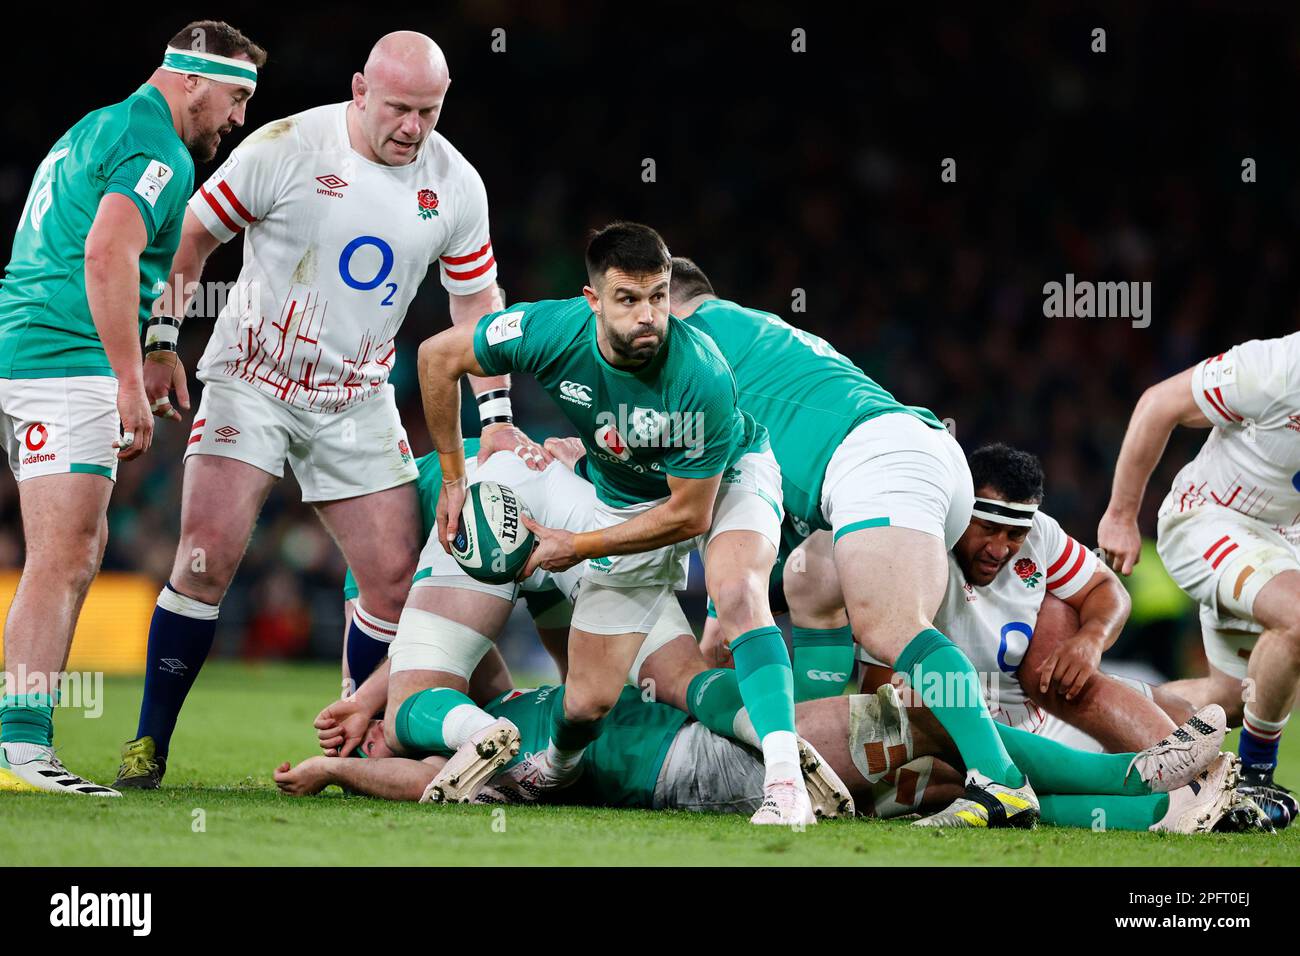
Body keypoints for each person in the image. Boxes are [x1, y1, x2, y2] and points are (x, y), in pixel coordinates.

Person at [114, 33, 545, 789]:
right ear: (359, 90)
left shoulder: (456, 184)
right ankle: (147, 748)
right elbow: (192, 236)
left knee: (388, 582)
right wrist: (160, 337)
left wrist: (499, 410)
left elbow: (475, 303)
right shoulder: (287, 144)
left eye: (429, 111)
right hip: (253, 377)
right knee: (203, 560)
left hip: (355, 395)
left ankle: (356, 739)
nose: (413, 127)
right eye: (399, 109)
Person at [419, 223, 814, 824]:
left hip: (727, 478)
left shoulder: (699, 375)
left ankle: (785, 779)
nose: (649, 315)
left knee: (737, 589)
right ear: (593, 300)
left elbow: (689, 517)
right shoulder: (548, 330)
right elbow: (436, 357)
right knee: (586, 701)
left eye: (658, 296)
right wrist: (453, 477)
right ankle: (556, 766)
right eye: (629, 300)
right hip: (626, 502)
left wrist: (575, 545)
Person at [669, 258, 1036, 827]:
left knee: (891, 627)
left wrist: (719, 614)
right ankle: (830, 772)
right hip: (890, 464)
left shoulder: (693, 341)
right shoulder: (756, 340)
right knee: (808, 578)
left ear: (672, 302)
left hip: (877, 463)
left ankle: (1002, 782)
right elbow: (755, 525)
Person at [0, 21, 262, 796]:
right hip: (64, 356)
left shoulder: (103, 125)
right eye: (235, 97)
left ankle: (20, 745)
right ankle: (20, 750)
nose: (238, 118)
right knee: (65, 554)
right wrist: (123, 378)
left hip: (36, 349)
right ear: (190, 80)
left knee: (68, 551)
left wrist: (153, 344)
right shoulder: (160, 149)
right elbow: (107, 251)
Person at [279, 678, 1266, 836]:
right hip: (696, 760)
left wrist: (374, 699)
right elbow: (420, 774)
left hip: (698, 755)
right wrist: (333, 769)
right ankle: (1136, 775)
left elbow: (431, 681)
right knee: (929, 709)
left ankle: (1164, 812)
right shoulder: (479, 754)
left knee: (940, 776)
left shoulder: (507, 699)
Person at [1098, 334, 1300, 817]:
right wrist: (1123, 515)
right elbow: (1159, 403)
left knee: (1230, 700)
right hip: (1208, 519)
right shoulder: (1272, 368)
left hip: (1280, 541)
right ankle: (1252, 781)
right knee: (1297, 616)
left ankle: (1075, 717)